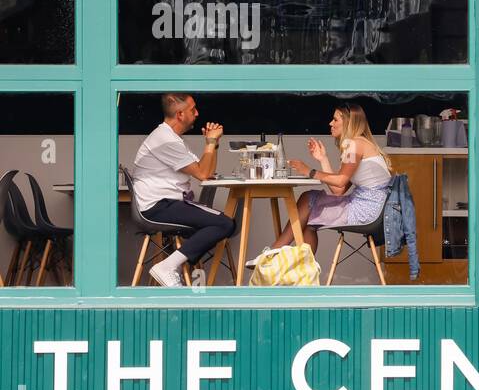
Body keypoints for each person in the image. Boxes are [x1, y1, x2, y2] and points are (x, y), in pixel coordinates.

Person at [130, 93, 236, 287]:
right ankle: (168, 267)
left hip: (168, 204)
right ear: (180, 114)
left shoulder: (173, 139)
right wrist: (210, 143)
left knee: (222, 224)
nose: (197, 113)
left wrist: (213, 145)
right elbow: (203, 174)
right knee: (225, 224)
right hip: (159, 207)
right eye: (192, 109)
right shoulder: (165, 140)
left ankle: (179, 269)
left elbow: (207, 171)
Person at [263, 102, 392, 258]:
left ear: (349, 123)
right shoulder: (359, 144)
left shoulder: (355, 145)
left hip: (367, 209)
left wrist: (309, 171)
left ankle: (271, 254)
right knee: (308, 213)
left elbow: (340, 182)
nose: (330, 123)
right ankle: (290, 264)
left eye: (335, 120)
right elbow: (338, 190)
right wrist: (323, 159)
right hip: (370, 207)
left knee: (307, 201)